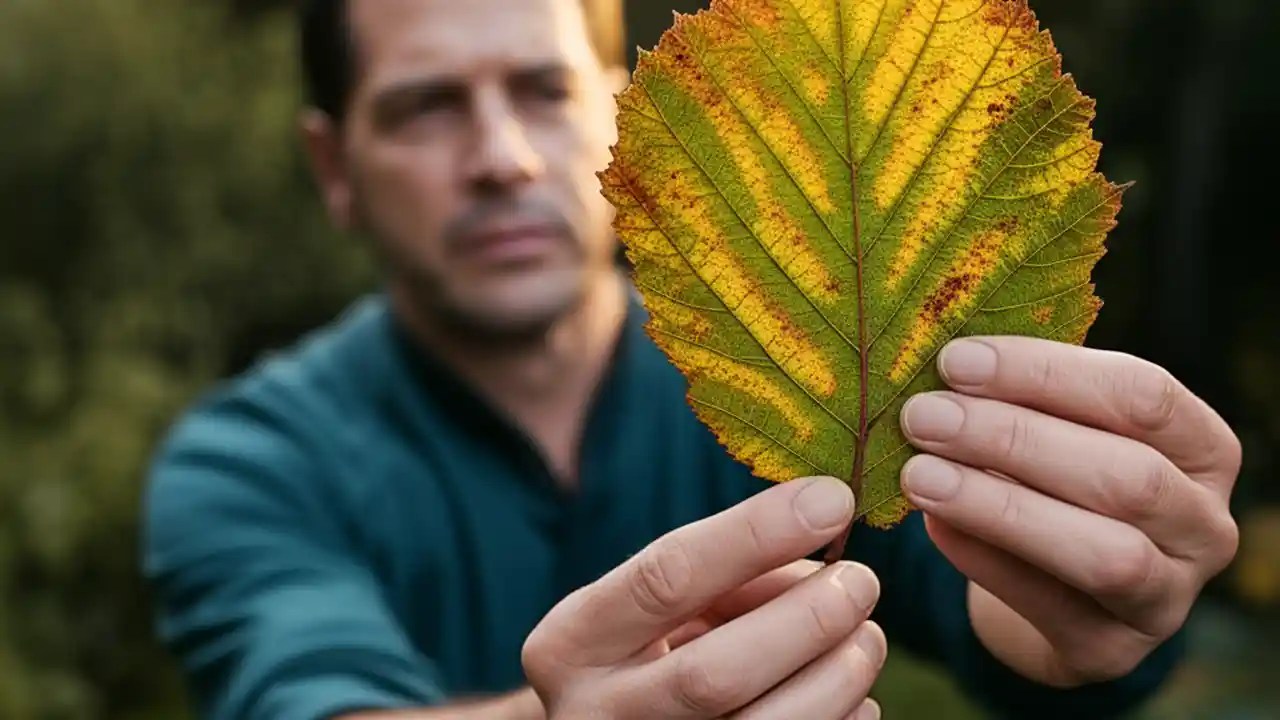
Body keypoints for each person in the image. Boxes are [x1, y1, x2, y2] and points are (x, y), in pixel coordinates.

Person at [141, 0, 1243, 718]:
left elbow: (1000, 609)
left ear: (618, 102)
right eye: (426, 109)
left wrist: (1093, 609)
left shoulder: (817, 389)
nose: (502, 159)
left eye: (543, 90)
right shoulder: (247, 461)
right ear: (333, 167)